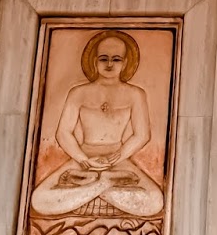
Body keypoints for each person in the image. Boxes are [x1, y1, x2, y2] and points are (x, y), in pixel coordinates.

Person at [30, 30, 164, 221]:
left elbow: (142, 135)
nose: (109, 64)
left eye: (116, 59)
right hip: (83, 159)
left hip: (118, 160)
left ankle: (92, 186)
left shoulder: (135, 94)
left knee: (155, 200)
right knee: (40, 199)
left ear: (125, 63)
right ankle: (104, 184)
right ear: (94, 61)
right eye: (104, 58)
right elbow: (64, 133)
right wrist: (85, 161)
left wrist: (115, 159)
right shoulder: (79, 93)